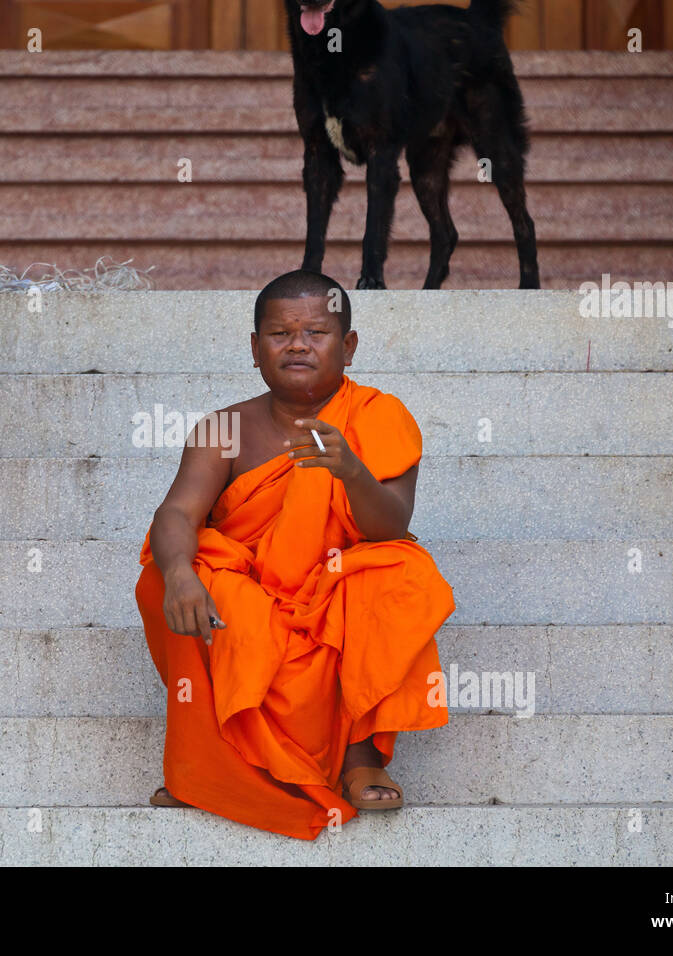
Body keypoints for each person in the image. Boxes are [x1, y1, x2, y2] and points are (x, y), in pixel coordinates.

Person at [134, 269, 455, 839]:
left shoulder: (377, 417)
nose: (298, 344)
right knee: (166, 579)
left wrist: (352, 472)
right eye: (280, 334)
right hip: (254, 592)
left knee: (404, 572)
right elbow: (179, 513)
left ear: (348, 347)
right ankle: (209, 767)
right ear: (255, 350)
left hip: (335, 591)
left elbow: (391, 527)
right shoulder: (225, 429)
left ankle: (360, 759)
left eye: (317, 332)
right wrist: (181, 571)